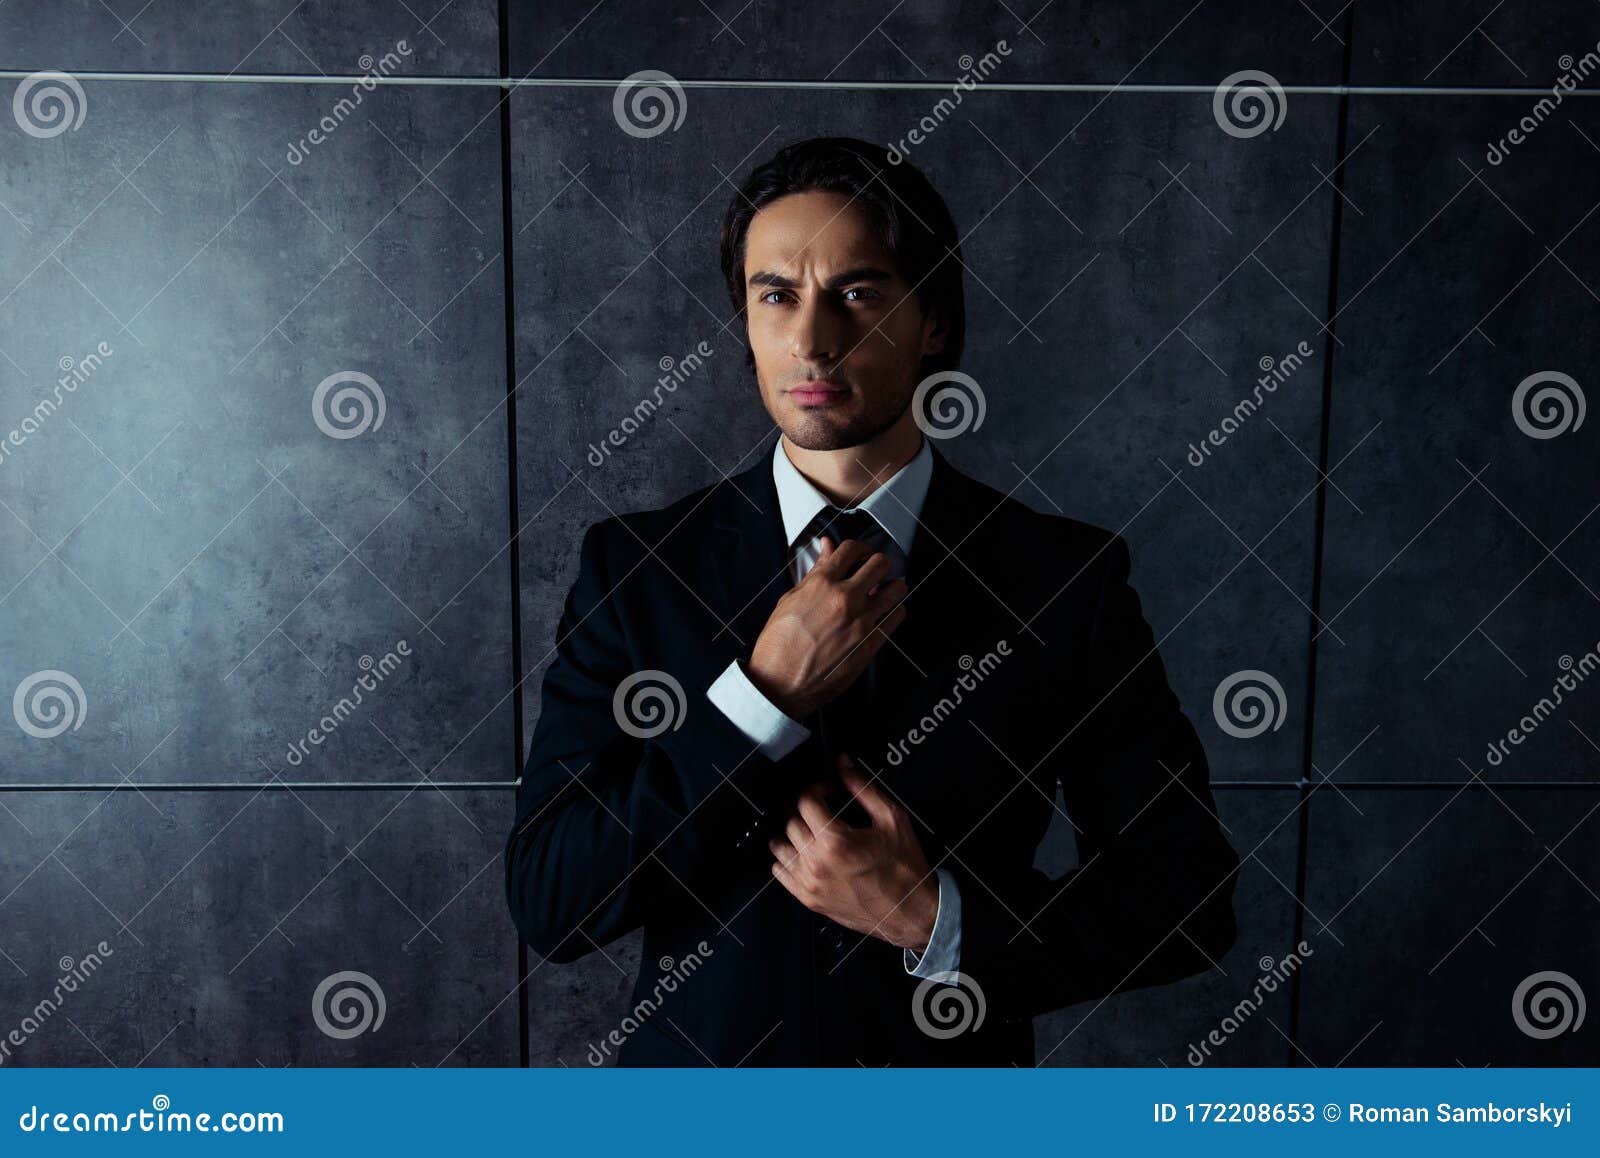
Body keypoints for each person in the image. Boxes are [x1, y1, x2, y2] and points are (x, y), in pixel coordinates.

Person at [504, 136, 1240, 1066]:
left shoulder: (1064, 579)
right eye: (777, 296)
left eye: (856, 293)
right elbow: (553, 901)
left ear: (932, 321)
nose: (812, 340)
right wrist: (761, 696)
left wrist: (936, 919)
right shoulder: (637, 569)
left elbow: (1188, 899)